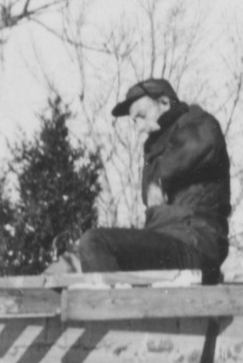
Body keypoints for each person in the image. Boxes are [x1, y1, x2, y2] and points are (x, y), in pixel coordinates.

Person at [56, 78, 233, 279]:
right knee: (85, 256)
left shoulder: (199, 123)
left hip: (195, 243)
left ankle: (114, 308)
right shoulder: (156, 148)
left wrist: (158, 179)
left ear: (164, 103)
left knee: (96, 242)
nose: (139, 127)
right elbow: (148, 193)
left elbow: (196, 146)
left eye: (142, 116)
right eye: (134, 121)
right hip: (166, 239)